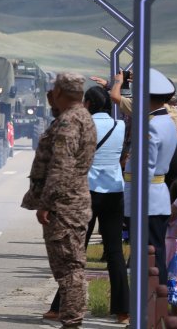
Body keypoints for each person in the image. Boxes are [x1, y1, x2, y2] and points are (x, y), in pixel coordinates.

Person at [44, 86, 129, 324]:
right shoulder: (119, 126)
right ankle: (123, 310)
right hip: (114, 192)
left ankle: (61, 306)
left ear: (88, 104)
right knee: (115, 253)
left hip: (85, 193)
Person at [22, 72, 97, 329]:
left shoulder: (69, 122)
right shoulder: (81, 117)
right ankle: (71, 319)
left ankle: (72, 322)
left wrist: (46, 203)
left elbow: (61, 166)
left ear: (61, 92)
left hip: (64, 206)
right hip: (74, 201)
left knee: (69, 270)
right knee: (70, 267)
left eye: (54, 90)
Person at [122, 68, 177, 285]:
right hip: (155, 198)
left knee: (149, 258)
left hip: (146, 201)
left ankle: (150, 309)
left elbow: (145, 168)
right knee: (153, 255)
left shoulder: (152, 126)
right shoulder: (164, 122)